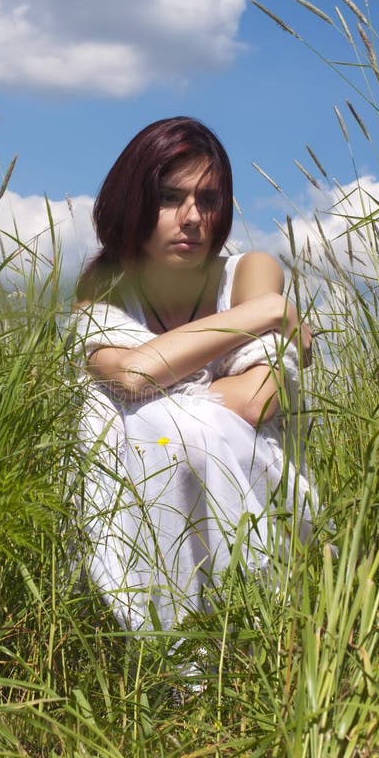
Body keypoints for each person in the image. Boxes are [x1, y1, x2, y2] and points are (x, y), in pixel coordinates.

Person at [69, 117, 314, 633]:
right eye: (169, 198)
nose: (193, 217)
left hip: (259, 497)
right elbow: (131, 375)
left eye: (208, 199)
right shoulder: (105, 285)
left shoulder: (250, 273)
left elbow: (256, 402)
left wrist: (162, 390)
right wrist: (265, 312)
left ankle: (240, 619)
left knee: (164, 425)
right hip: (150, 502)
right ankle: (176, 641)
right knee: (153, 427)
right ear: (132, 202)